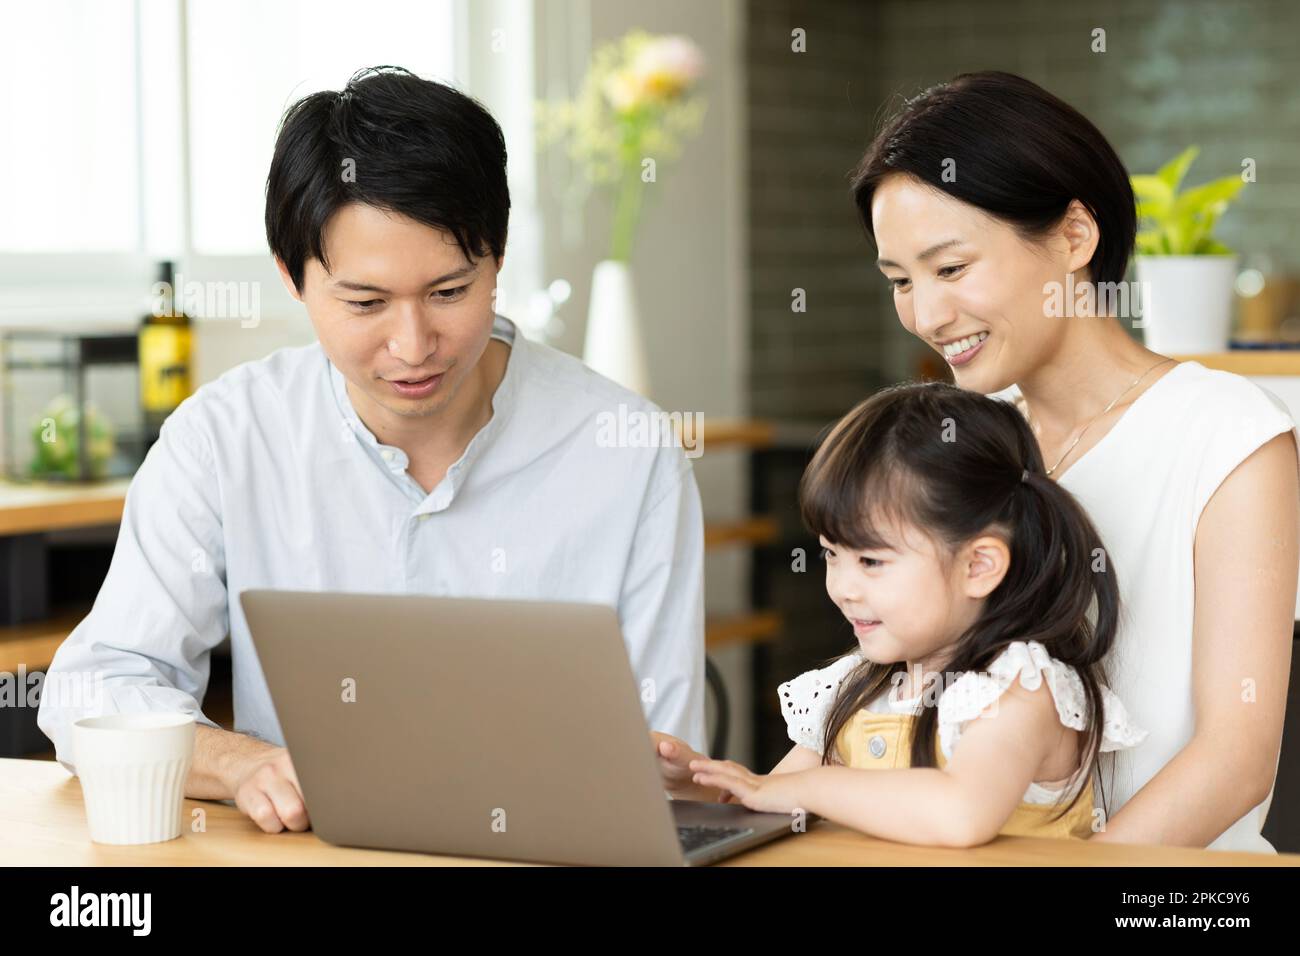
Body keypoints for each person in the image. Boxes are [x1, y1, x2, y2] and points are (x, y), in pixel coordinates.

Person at [38, 66, 706, 834]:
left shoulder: (629, 453)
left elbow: (671, 766)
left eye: (451, 292)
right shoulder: (226, 439)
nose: (414, 346)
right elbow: (95, 689)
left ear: (497, 259)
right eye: (365, 303)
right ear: (293, 279)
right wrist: (243, 763)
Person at [849, 70, 1298, 851]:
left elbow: (1236, 761)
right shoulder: (974, 444)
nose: (926, 314)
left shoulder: (1228, 433)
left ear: (1074, 237)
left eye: (951, 269)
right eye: (900, 281)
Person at [657, 382, 1147, 846]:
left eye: (871, 561)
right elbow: (775, 799)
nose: (842, 588)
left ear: (978, 566)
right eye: (831, 554)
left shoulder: (1020, 689)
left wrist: (806, 787)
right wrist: (701, 781)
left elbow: (960, 814)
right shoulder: (860, 688)